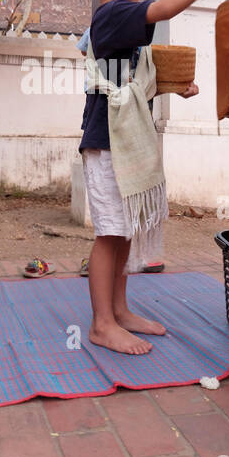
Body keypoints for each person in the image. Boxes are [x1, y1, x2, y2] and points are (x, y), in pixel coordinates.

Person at [78, 0, 229, 354]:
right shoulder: (113, 14)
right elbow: (167, 7)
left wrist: (175, 86)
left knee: (123, 235)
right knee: (109, 234)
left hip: (121, 141)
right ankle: (101, 323)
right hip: (107, 143)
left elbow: (130, 81)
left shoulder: (119, 25)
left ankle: (119, 311)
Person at [77, 25, 165, 276]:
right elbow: (90, 54)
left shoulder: (136, 44)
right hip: (106, 134)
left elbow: (140, 86)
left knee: (126, 228)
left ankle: (118, 308)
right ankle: (104, 314)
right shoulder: (109, 23)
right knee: (109, 234)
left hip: (128, 133)